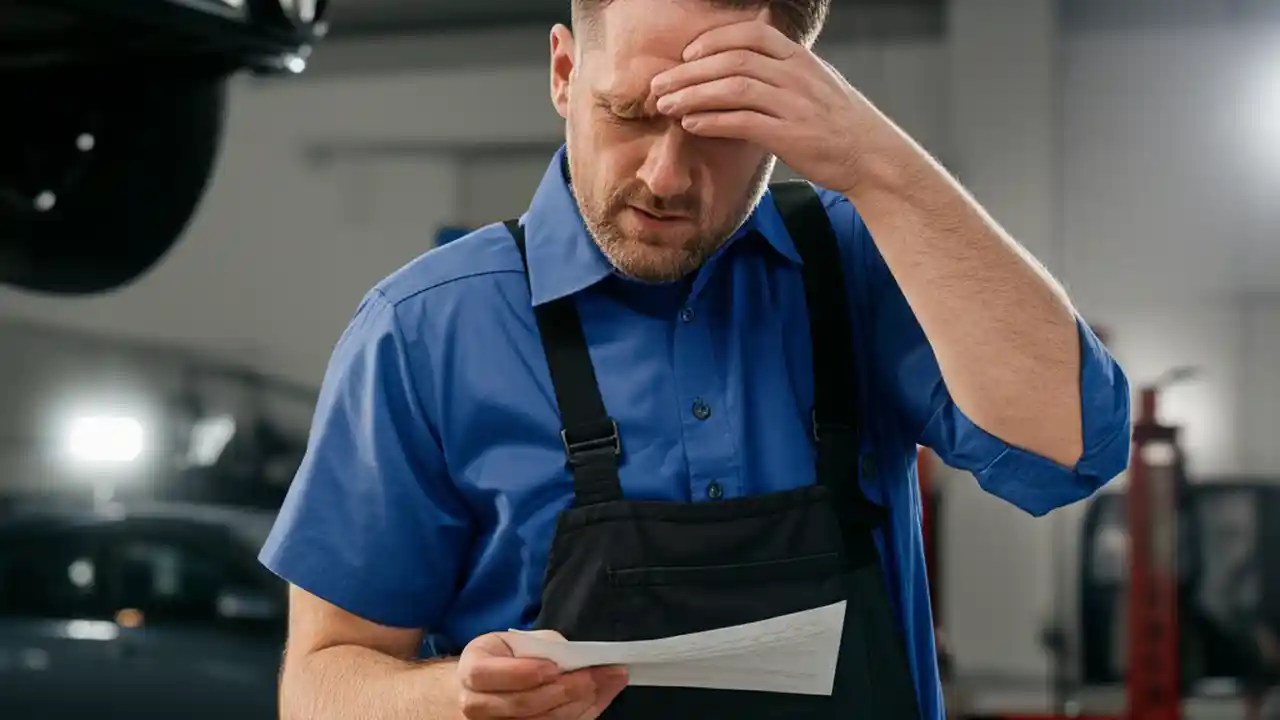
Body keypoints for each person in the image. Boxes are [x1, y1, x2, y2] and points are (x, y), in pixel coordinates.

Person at [260, 1, 1132, 718]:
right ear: (564, 72)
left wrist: (875, 163)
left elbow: (1072, 446)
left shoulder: (862, 266)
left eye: (722, 126)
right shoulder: (425, 330)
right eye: (630, 115)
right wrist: (454, 699)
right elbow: (320, 684)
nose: (667, 177)